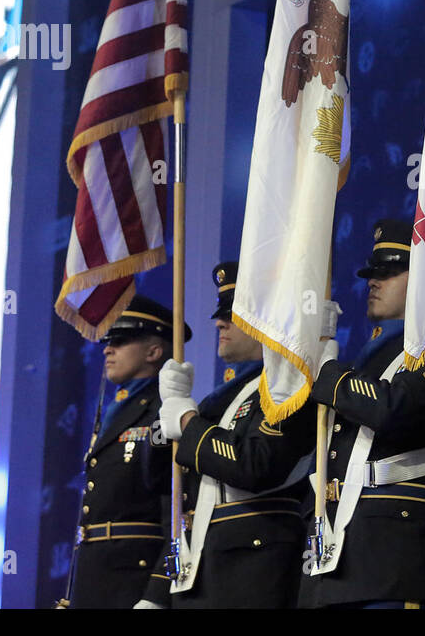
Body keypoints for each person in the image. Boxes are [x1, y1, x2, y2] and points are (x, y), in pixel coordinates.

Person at [299, 219, 425, 609]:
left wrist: (328, 374)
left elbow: (393, 410)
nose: (374, 282)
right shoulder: (365, 362)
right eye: (373, 273)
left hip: (393, 561)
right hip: (332, 558)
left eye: (391, 272)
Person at [151, 261, 319, 608]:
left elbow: (254, 466)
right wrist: (155, 593)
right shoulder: (226, 397)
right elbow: (188, 502)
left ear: (266, 320)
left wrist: (186, 420)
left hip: (253, 572)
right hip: (201, 571)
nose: (219, 322)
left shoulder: (289, 387)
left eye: (234, 313)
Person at [66, 295, 189, 609]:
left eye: (120, 341)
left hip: (134, 580)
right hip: (96, 578)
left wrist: (157, 592)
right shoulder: (117, 412)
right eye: (108, 341)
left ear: (154, 351)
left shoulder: (164, 413)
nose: (108, 348)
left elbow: (175, 510)